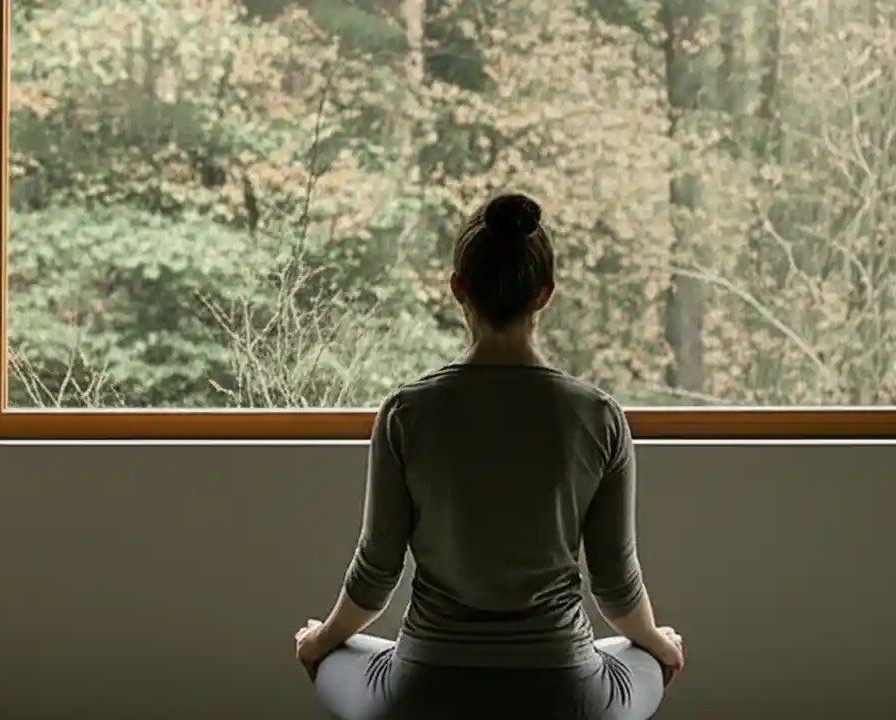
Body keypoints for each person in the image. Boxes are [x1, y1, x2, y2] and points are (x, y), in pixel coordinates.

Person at [293, 193, 685, 720]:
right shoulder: (598, 416)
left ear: (458, 288)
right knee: (639, 653)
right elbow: (615, 586)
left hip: (426, 693)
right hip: (565, 696)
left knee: (340, 652)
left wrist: (320, 642)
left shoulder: (407, 413)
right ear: (545, 295)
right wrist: (659, 645)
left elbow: (376, 572)